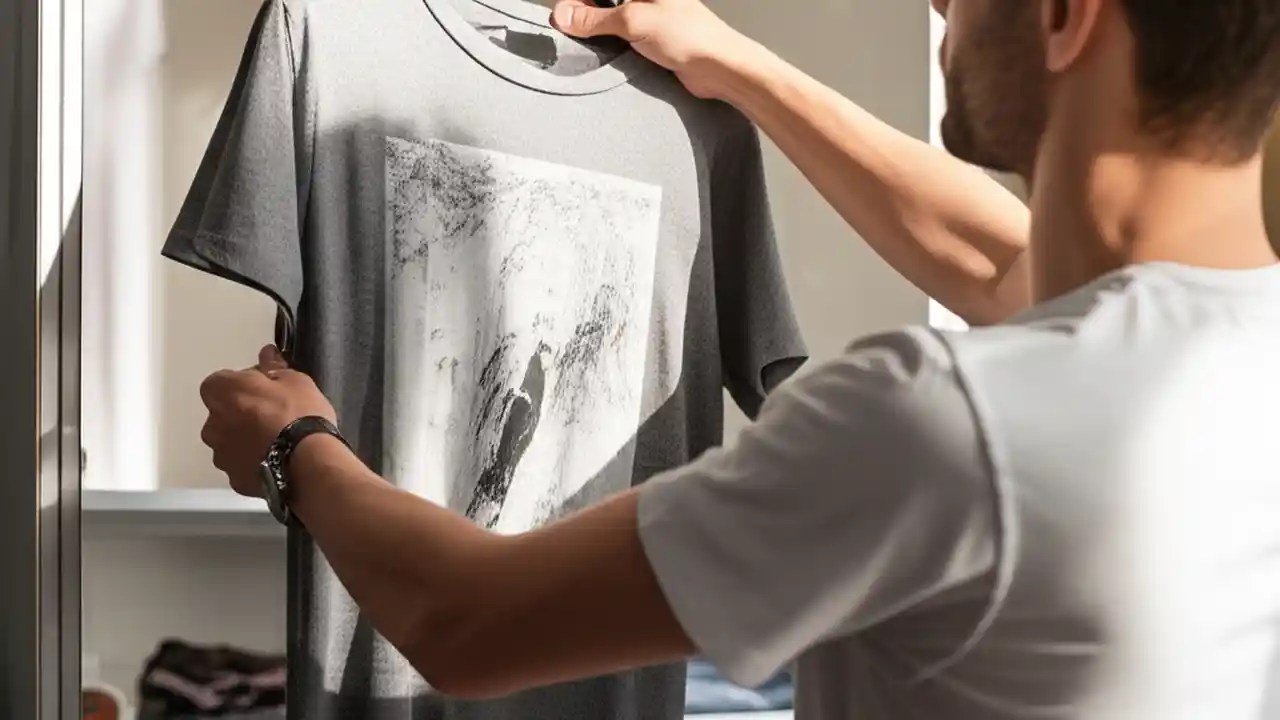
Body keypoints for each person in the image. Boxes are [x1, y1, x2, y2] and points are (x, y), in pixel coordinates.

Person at [196, 0, 1280, 717]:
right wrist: (737, 64)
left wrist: (294, 443)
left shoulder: (938, 420)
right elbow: (997, 262)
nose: (942, 10)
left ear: (1060, 16)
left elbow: (467, 624)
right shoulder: (1236, 360)